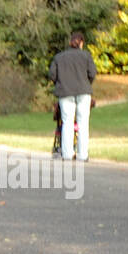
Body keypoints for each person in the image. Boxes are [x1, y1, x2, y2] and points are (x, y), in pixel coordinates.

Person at [49, 31, 97, 161]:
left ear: (70, 42)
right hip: (83, 92)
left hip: (65, 92)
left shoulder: (59, 57)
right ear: (81, 43)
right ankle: (83, 155)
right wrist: (86, 83)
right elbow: (92, 73)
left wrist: (60, 83)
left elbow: (52, 75)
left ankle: (68, 153)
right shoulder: (86, 56)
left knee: (67, 122)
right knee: (83, 123)